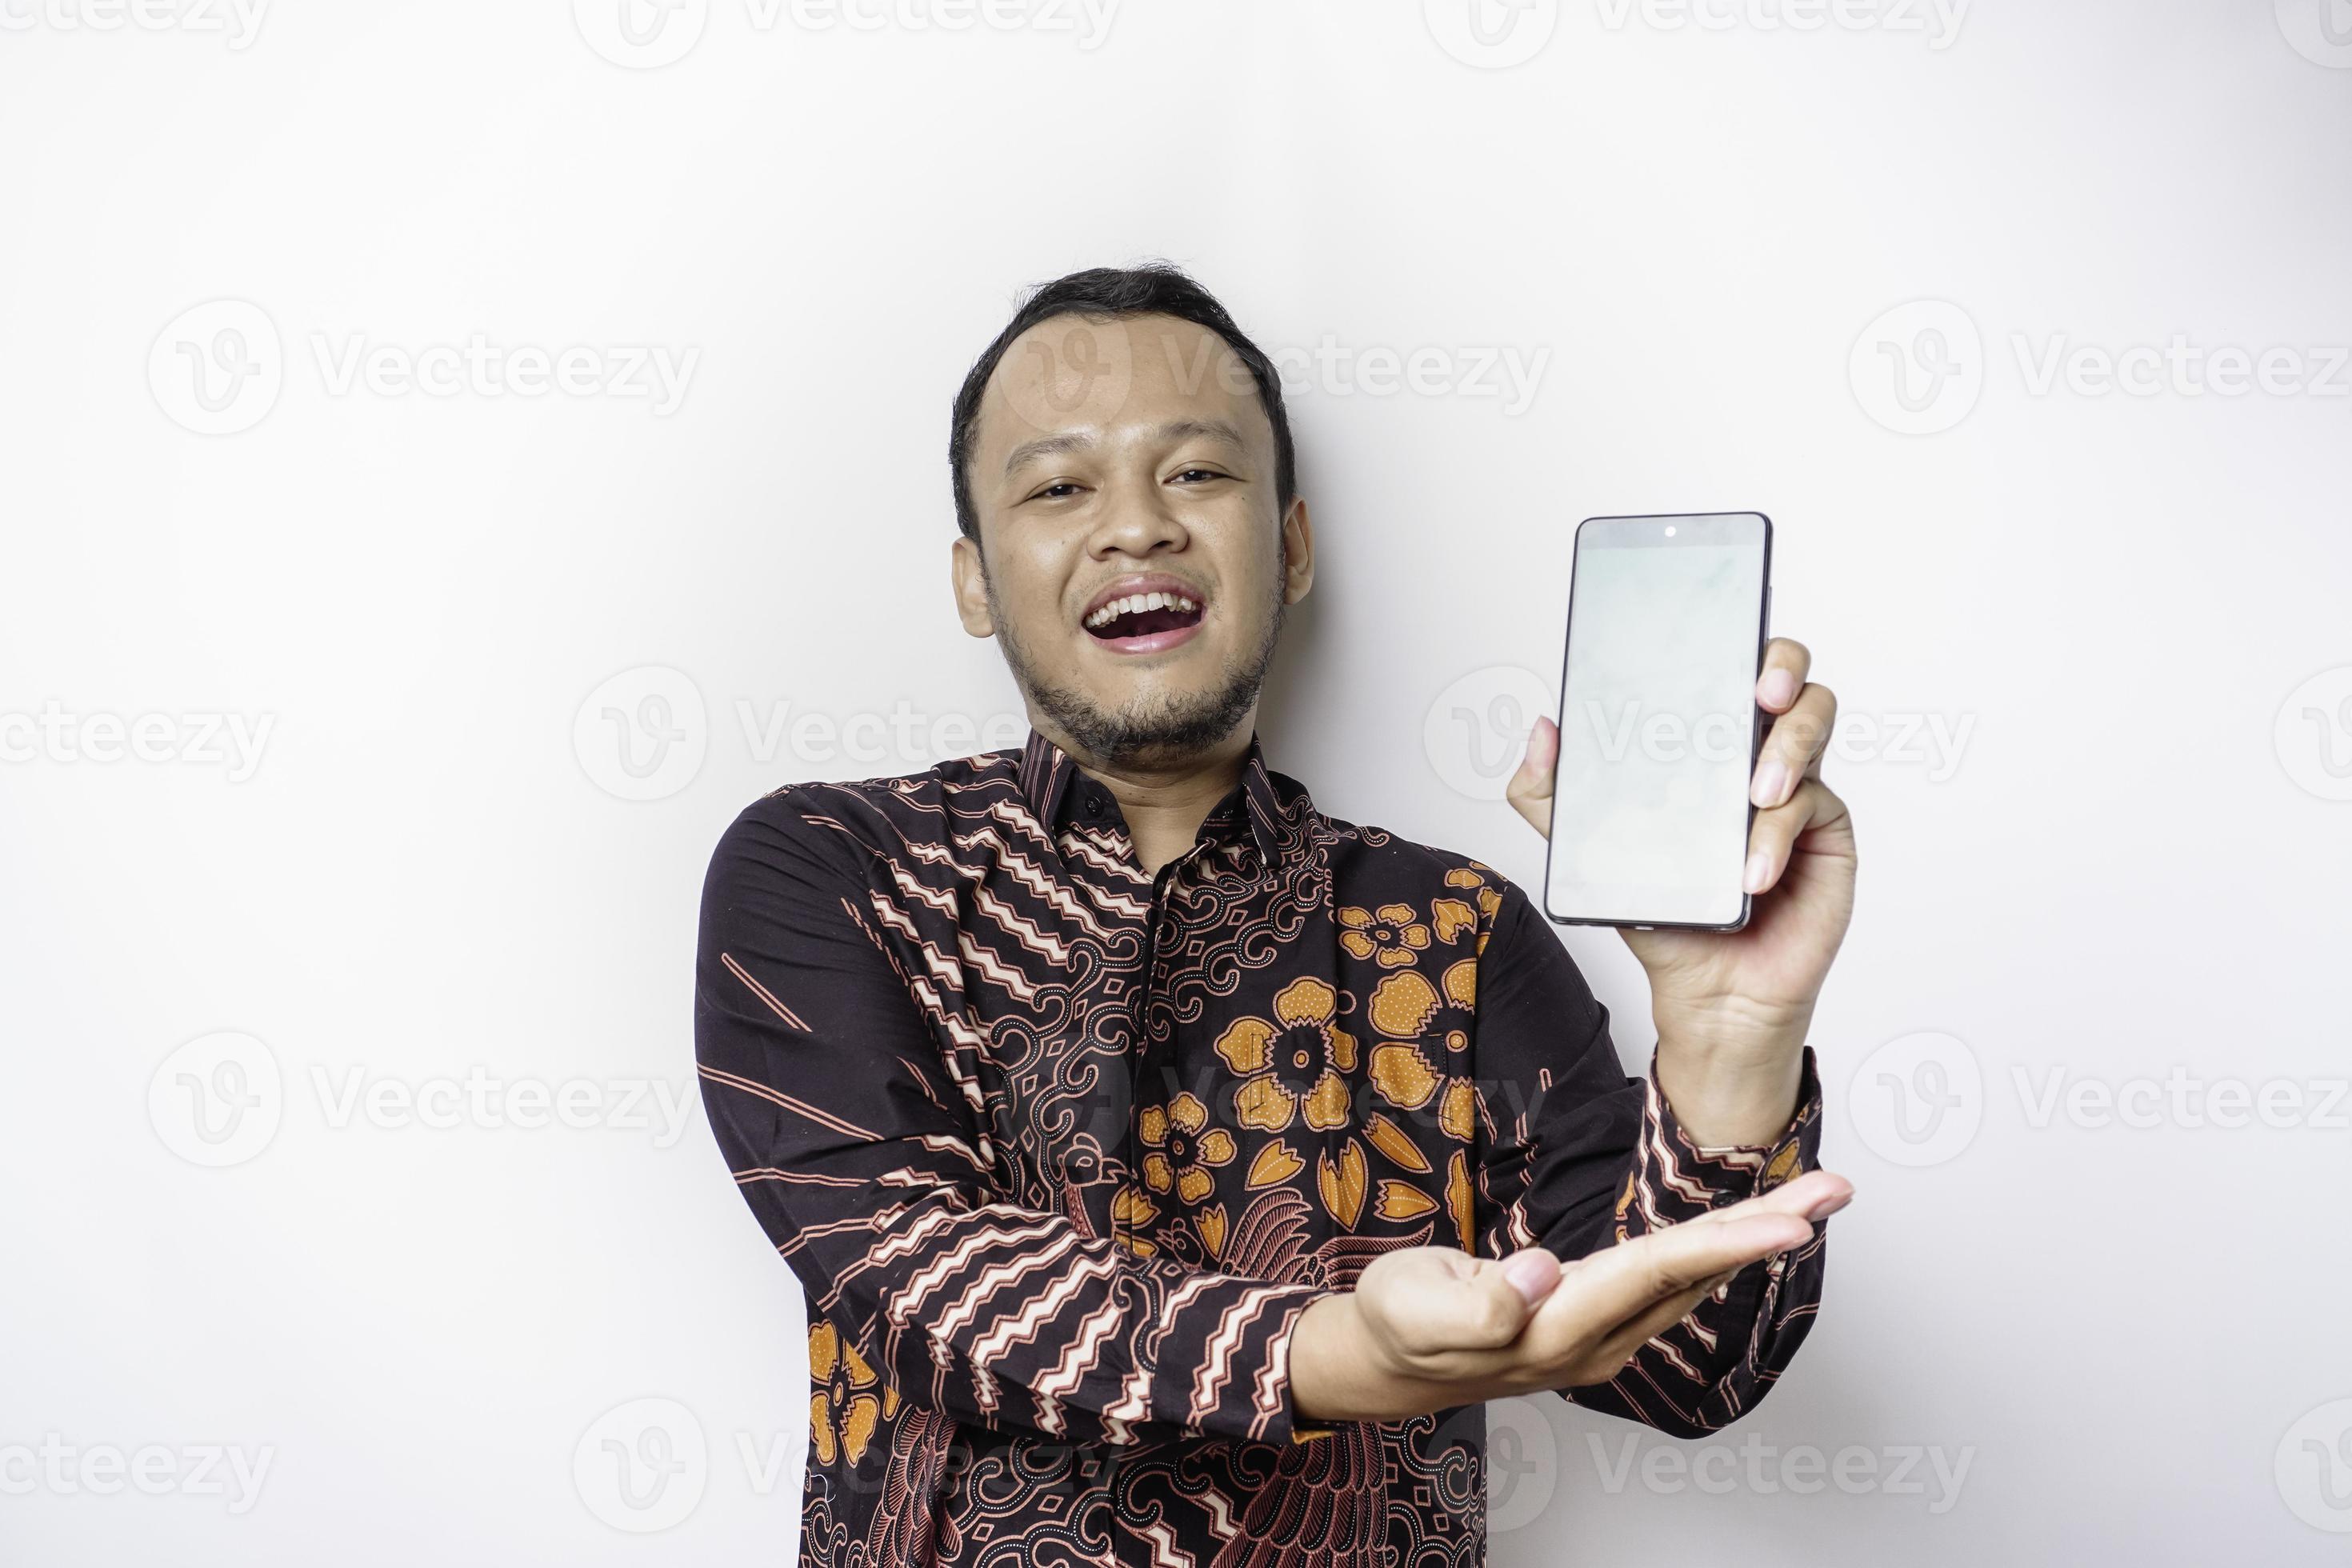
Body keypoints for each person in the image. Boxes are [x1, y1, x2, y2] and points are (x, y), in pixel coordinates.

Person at [693, 262, 1858, 1566]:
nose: (1136, 526)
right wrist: (1337, 1349)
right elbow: (914, 1273)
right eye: (1060, 485)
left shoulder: (1458, 938)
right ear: (974, 581)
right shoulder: (834, 868)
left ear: (1291, 547)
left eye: (1195, 473)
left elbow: (1686, 1370)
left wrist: (1729, 1040)